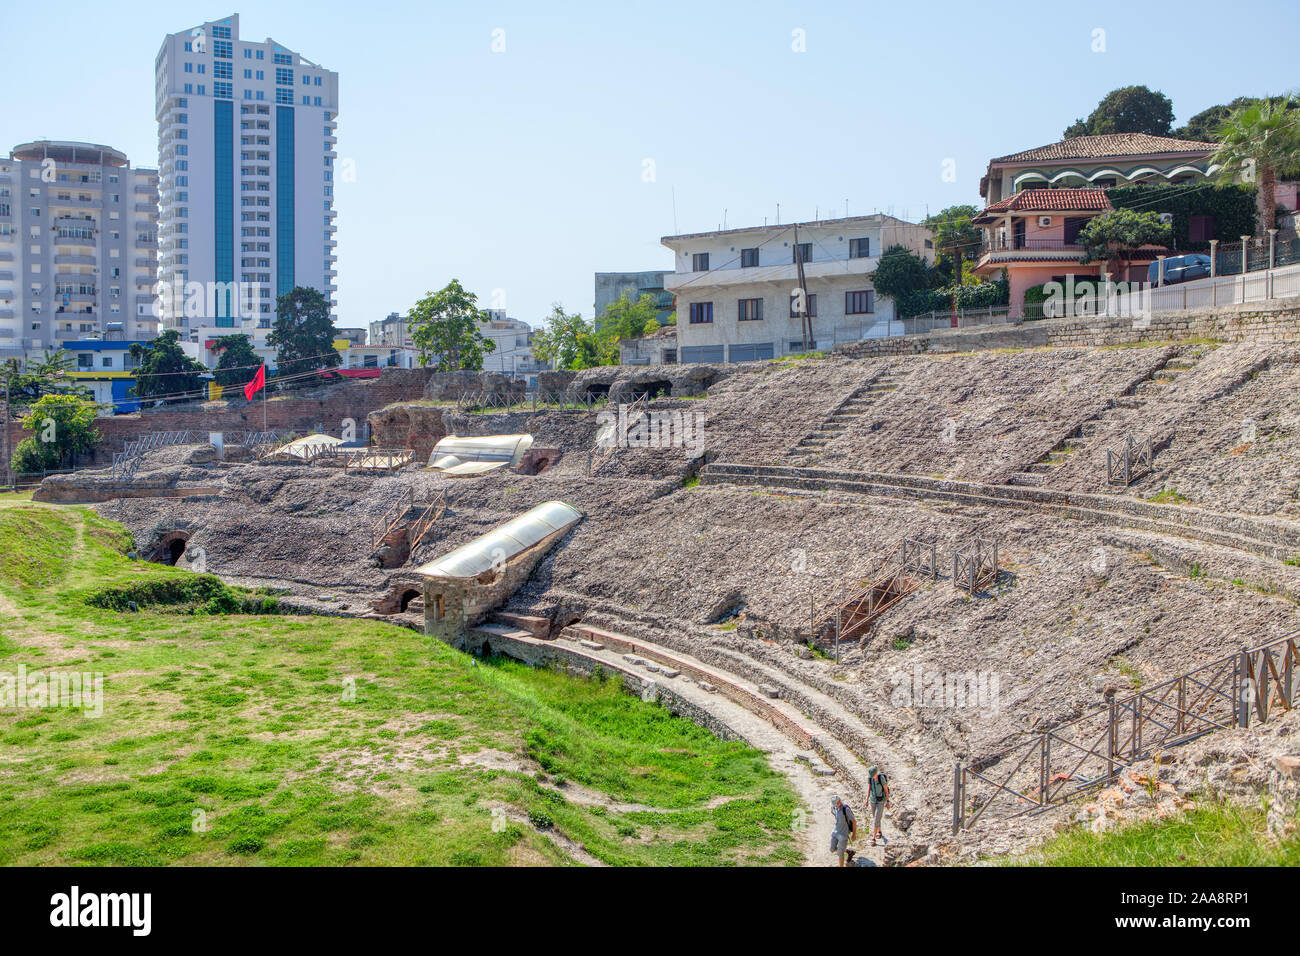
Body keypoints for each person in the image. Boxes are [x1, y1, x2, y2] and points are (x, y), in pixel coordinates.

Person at [829, 795, 856, 866]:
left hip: (843, 835)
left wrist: (854, 834)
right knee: (832, 849)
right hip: (835, 832)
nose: (835, 806)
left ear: (839, 802)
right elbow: (833, 812)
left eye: (836, 804)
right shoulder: (834, 808)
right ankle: (849, 852)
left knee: (840, 854)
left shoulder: (846, 809)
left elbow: (854, 822)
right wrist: (833, 809)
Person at [867, 766, 891, 846]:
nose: (872, 777)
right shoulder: (870, 778)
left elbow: (886, 790)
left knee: (876, 819)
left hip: (881, 801)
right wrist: (867, 800)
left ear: (876, 773)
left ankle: (873, 838)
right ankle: (879, 831)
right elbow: (869, 789)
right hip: (873, 800)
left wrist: (887, 802)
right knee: (876, 817)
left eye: (873, 775)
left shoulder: (881, 779)